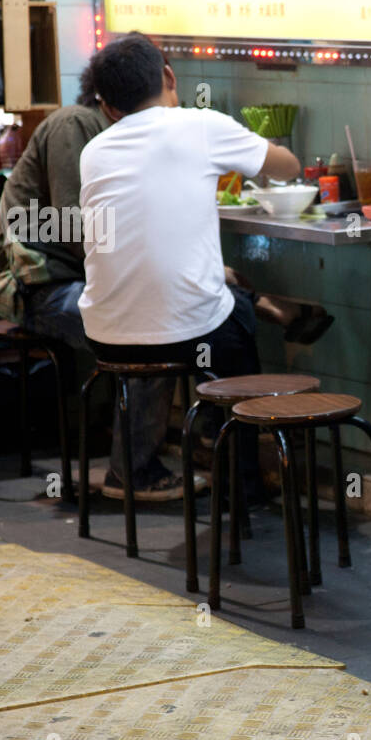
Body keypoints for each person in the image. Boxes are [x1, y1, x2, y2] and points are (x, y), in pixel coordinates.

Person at [77, 33, 299, 497]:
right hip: (183, 334)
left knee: (221, 303)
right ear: (169, 77)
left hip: (108, 339)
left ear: (108, 106)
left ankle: (210, 449)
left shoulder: (93, 151)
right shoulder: (200, 126)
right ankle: (243, 484)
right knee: (235, 323)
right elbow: (288, 167)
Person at [0, 61, 183, 499]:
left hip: (87, 281)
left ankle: (196, 445)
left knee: (177, 317)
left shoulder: (126, 139)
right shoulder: (74, 124)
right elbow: (77, 230)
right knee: (149, 333)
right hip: (42, 287)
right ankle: (133, 473)